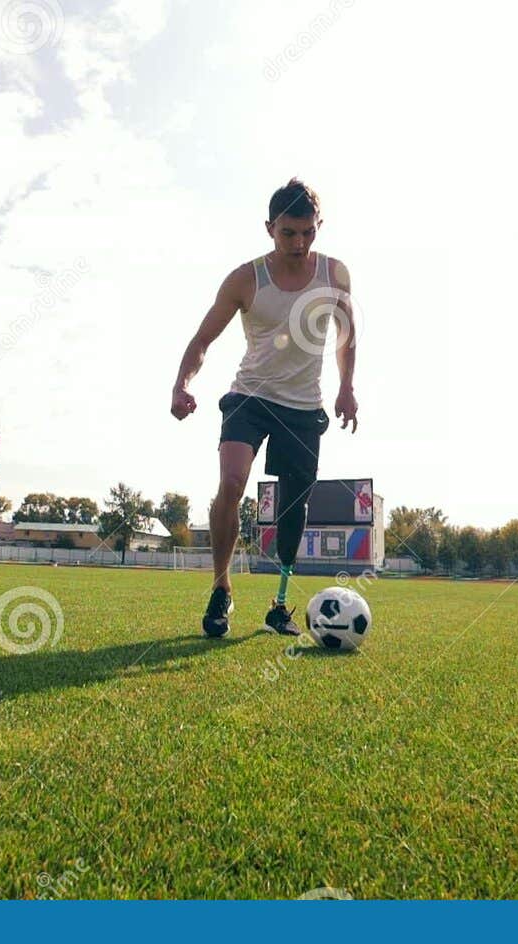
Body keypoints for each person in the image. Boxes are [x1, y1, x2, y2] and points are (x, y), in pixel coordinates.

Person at [170, 177, 358, 637]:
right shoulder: (244, 279)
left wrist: (346, 388)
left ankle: (279, 605)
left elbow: (346, 335)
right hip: (250, 396)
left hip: (303, 405)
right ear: (270, 228)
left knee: (295, 506)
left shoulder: (335, 274)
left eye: (307, 232)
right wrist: (182, 383)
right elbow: (202, 339)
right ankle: (221, 588)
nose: (298, 243)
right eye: (288, 233)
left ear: (318, 226)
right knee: (232, 482)